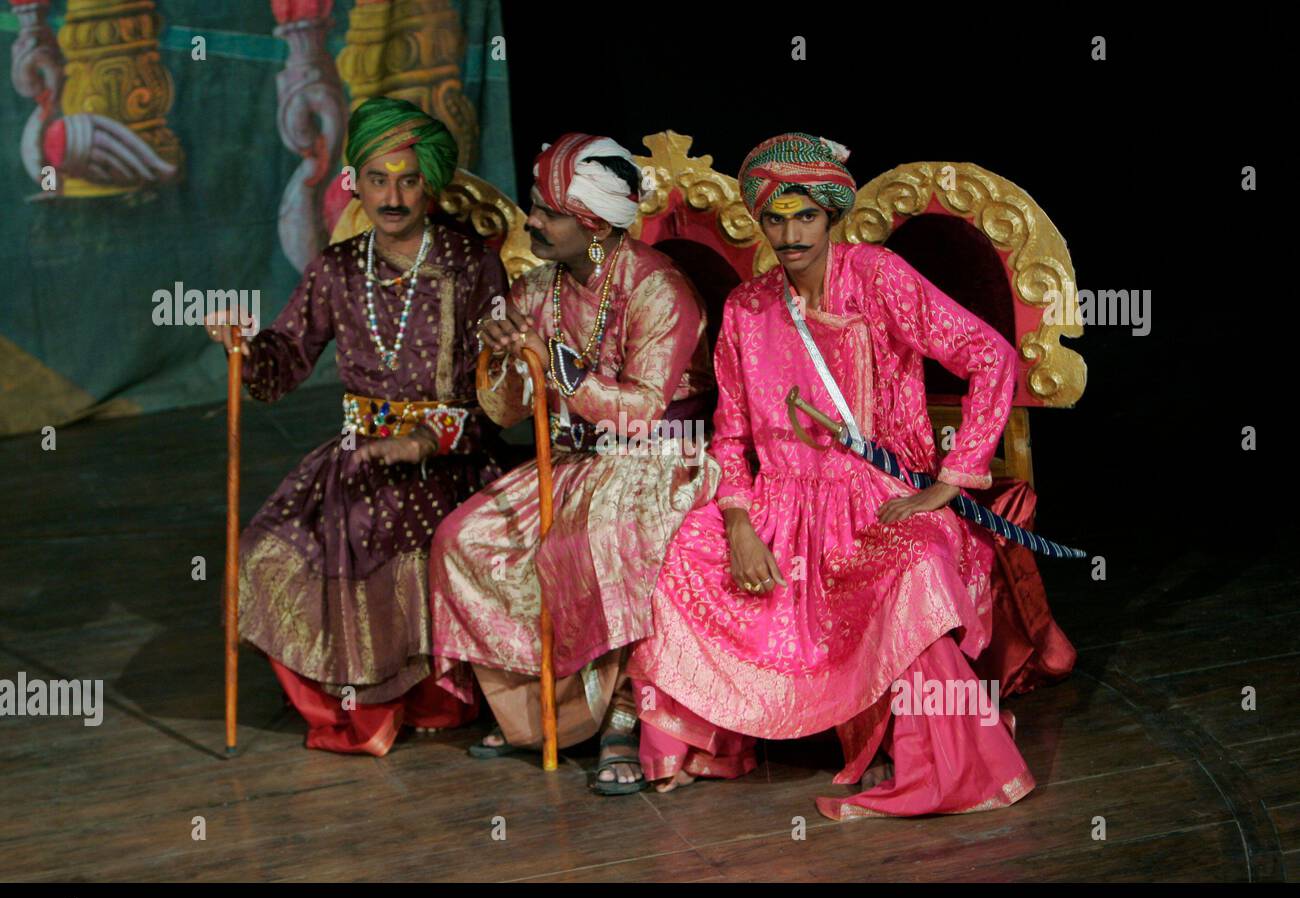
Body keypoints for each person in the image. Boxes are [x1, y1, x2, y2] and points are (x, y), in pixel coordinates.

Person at [628, 132, 1035, 817]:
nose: (790, 233)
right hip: (778, 504)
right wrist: (738, 522)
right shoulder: (746, 308)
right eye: (777, 219)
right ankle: (699, 747)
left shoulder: (877, 277)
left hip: (879, 497)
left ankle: (952, 757)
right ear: (761, 220)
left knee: (915, 569)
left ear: (830, 215)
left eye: (806, 216)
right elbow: (729, 437)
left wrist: (954, 477)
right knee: (681, 562)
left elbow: (989, 354)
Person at [204, 97, 507, 755]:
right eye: (377, 179)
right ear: (356, 184)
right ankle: (358, 708)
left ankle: (427, 698)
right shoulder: (335, 271)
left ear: (431, 181)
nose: (392, 196)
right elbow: (281, 366)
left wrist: (427, 440)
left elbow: (500, 393)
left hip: (449, 463)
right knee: (266, 553)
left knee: (414, 548)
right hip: (356, 458)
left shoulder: (471, 266)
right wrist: (244, 350)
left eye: (408, 178)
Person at [428, 133, 716, 794]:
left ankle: (621, 720)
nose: (530, 222)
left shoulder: (659, 290)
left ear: (590, 225)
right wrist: (504, 359)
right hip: (572, 460)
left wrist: (555, 367)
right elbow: (503, 413)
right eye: (535, 208)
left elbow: (642, 411)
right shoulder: (539, 287)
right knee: (461, 541)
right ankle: (536, 717)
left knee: (598, 543)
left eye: (545, 213)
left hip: (658, 460)